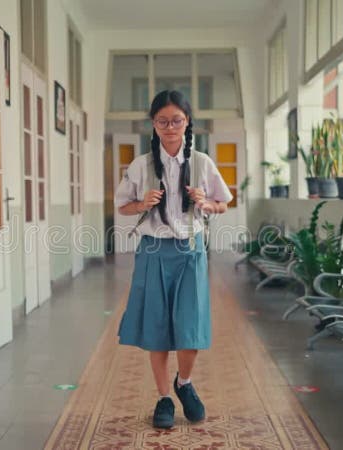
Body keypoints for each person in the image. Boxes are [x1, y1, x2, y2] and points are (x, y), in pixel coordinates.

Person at [114, 90, 233, 429]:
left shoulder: (202, 162)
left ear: (187, 122)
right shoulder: (140, 165)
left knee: (190, 326)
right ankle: (164, 397)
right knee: (157, 326)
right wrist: (142, 203)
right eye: (163, 121)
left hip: (191, 251)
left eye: (176, 121)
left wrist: (205, 203)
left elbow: (224, 202)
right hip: (153, 251)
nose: (170, 127)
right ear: (153, 124)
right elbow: (122, 207)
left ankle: (185, 382)